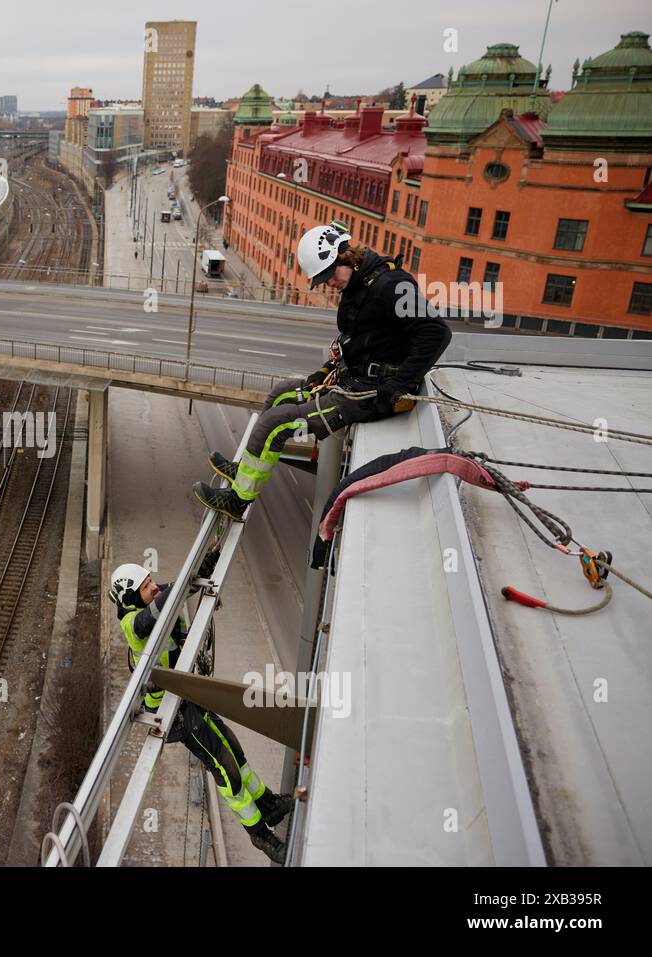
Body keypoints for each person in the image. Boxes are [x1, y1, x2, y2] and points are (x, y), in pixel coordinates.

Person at [194, 222, 451, 521]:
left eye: (329, 275)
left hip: (370, 394)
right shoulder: (361, 285)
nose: (329, 283)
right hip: (352, 380)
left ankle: (238, 500)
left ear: (345, 256)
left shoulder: (392, 286)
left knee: (275, 423)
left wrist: (399, 384)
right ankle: (244, 471)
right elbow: (358, 342)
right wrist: (325, 370)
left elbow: (436, 332)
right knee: (281, 394)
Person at [109, 549, 294, 864]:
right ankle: (259, 833)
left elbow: (173, 590)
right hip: (175, 713)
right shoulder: (133, 623)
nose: (153, 586)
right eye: (145, 586)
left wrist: (198, 570)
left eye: (151, 580)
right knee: (225, 769)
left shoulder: (149, 602)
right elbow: (163, 602)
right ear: (131, 598)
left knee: (233, 750)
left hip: (189, 696)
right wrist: (185, 581)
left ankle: (268, 802)